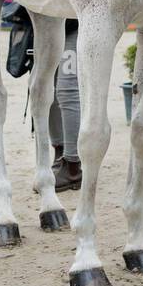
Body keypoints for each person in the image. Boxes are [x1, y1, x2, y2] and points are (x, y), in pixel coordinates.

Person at [48, 19, 82, 190]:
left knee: (67, 89)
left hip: (76, 22)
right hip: (49, 22)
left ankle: (73, 166)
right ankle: (60, 152)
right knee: (47, 90)